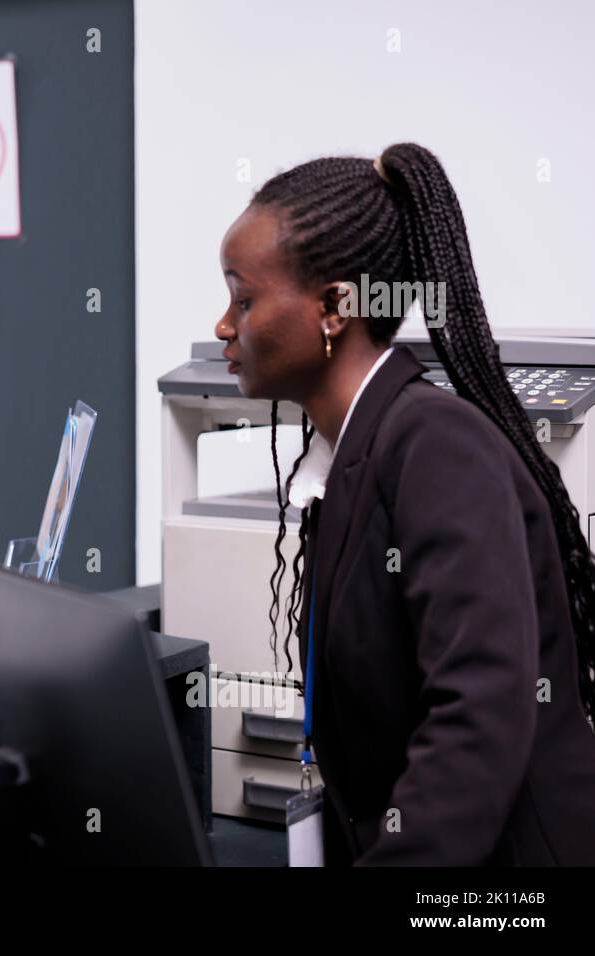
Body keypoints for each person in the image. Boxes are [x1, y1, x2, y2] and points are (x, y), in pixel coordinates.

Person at [214, 142, 595, 865]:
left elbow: (475, 724)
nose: (225, 325)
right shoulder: (357, 452)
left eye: (243, 297)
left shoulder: (436, 447)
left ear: (333, 307)